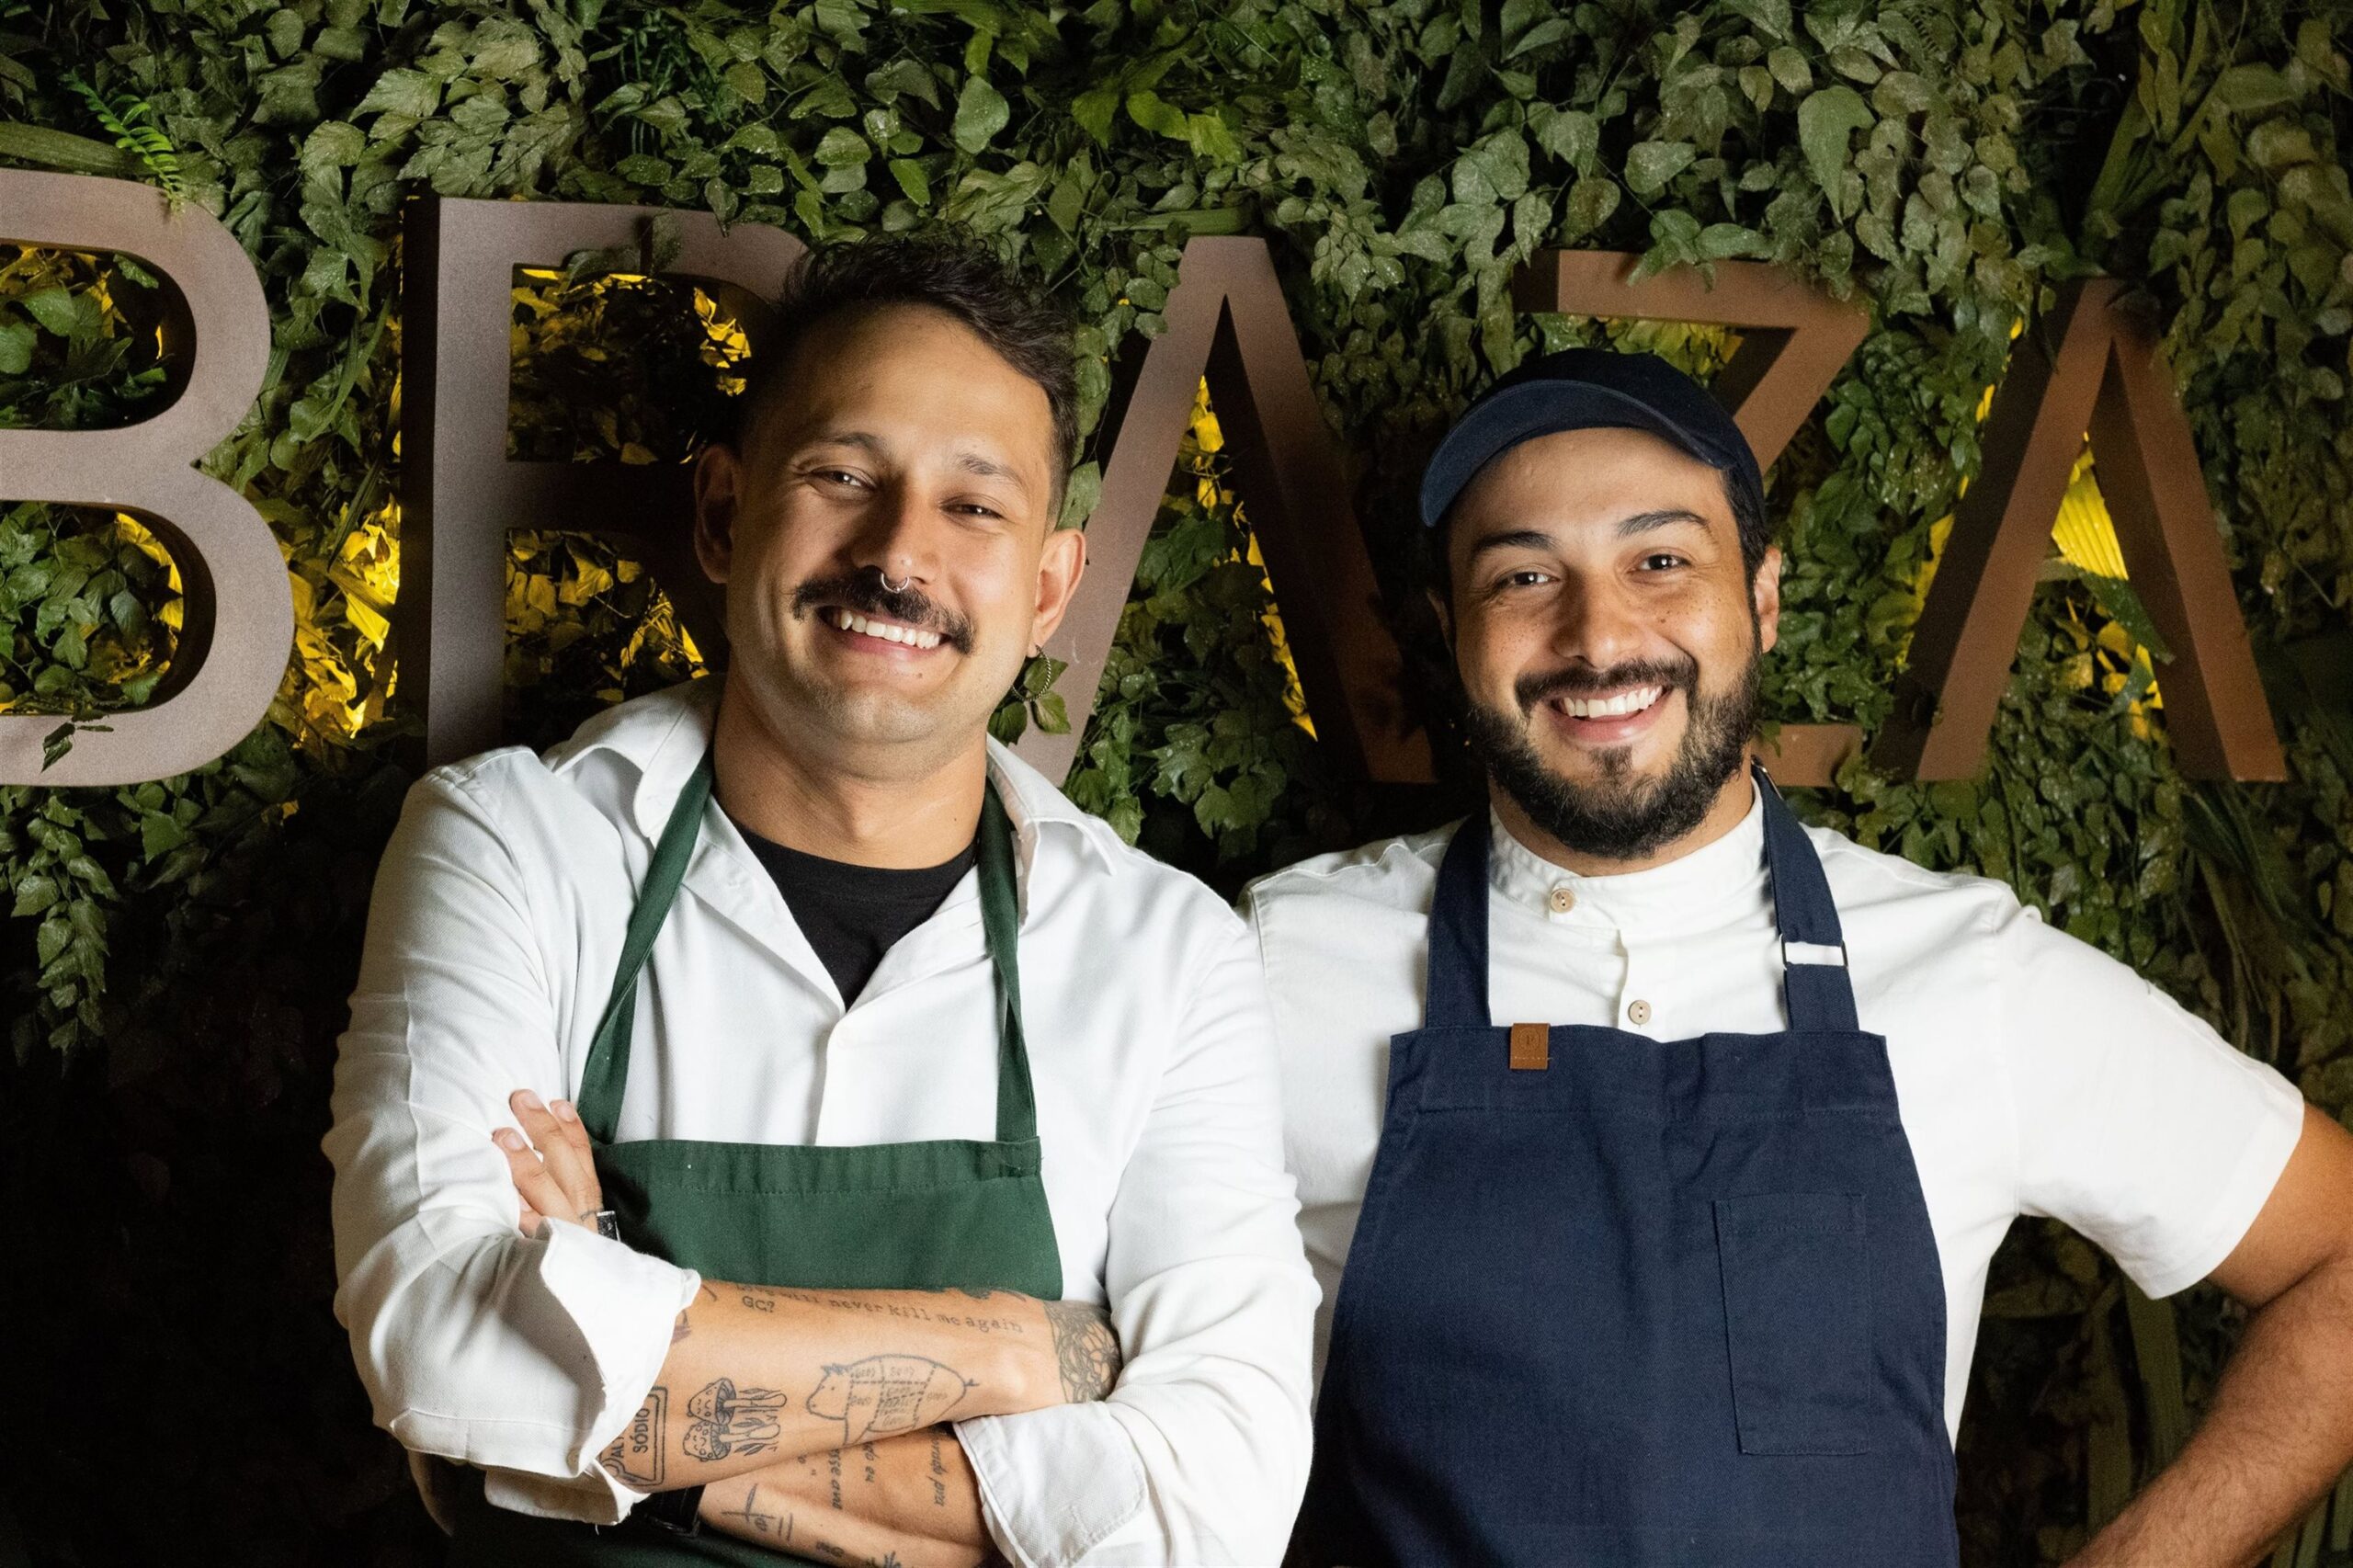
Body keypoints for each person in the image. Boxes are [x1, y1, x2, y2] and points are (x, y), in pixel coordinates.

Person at [1242, 348, 2353, 1567]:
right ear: (1453, 632)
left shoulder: (1967, 974)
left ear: (1763, 598)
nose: (1599, 633)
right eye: (1524, 574)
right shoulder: (1282, 964)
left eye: (1660, 560)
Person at [325, 234, 1316, 1567]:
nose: (899, 553)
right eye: (842, 475)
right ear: (726, 512)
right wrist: (1023, 1349)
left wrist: (624, 1389)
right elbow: (443, 1353)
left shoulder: (1168, 954)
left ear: (1045, 589)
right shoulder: (514, 846)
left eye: (975, 506)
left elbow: (1217, 1505)